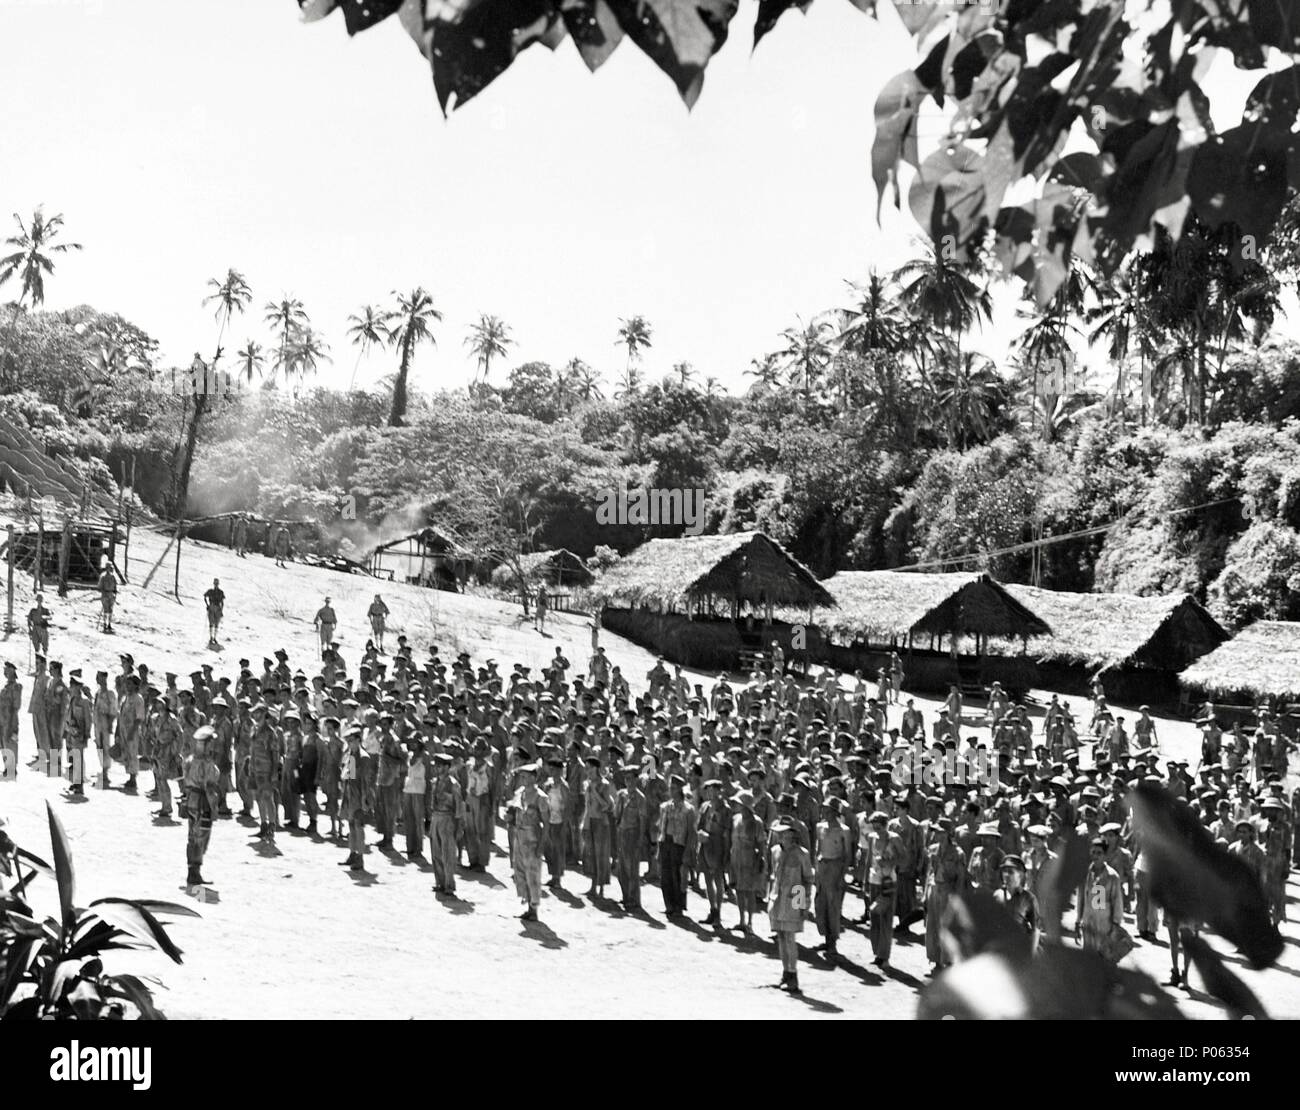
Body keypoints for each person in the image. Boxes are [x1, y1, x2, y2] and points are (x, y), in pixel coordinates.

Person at [768, 820, 813, 994]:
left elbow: (807, 880)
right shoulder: (775, 851)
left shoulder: (802, 854)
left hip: (793, 901)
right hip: (777, 900)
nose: (780, 836)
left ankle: (793, 975)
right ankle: (785, 972)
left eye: (784, 832)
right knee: (780, 937)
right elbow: (773, 876)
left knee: (790, 938)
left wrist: (802, 906)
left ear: (792, 834)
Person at [508, 762, 549, 922]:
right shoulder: (520, 794)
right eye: (522, 776)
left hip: (532, 837)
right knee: (520, 871)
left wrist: (542, 845)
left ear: (534, 777)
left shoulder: (541, 797)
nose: (523, 779)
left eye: (526, 776)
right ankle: (527, 905)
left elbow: (546, 824)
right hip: (519, 835)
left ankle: (534, 908)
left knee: (533, 874)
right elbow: (514, 812)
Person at [182, 726, 222, 886]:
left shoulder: (190, 760)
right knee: (201, 837)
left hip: (191, 800)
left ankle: (192, 869)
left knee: (192, 836)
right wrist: (214, 808)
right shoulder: (207, 764)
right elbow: (210, 787)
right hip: (202, 802)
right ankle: (195, 872)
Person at [813, 796, 851, 963]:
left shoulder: (844, 830)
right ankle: (825, 937)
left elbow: (847, 855)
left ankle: (833, 941)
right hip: (822, 866)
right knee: (820, 904)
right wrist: (816, 871)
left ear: (836, 813)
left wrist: (842, 876)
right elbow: (817, 849)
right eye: (824, 810)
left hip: (835, 867)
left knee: (833, 905)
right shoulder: (820, 827)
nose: (825, 813)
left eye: (829, 810)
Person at [1077, 837, 1126, 962]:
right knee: (1088, 957)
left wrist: (1116, 924)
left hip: (1105, 924)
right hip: (1089, 922)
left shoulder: (1112, 876)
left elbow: (1117, 901)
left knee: (1105, 958)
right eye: (1093, 852)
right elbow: (1081, 897)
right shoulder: (1086, 873)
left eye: (1099, 853)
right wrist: (1079, 919)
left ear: (1105, 855)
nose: (1095, 856)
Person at [657, 774, 697, 916]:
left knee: (678, 877)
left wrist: (688, 850)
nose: (671, 791)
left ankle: (679, 906)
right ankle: (669, 905)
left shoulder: (688, 809)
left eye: (674, 788)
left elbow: (692, 832)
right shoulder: (665, 807)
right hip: (666, 841)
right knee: (665, 875)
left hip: (679, 844)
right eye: (670, 788)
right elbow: (661, 826)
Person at [428, 752, 465, 893]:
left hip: (448, 818)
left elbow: (458, 805)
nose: (437, 768)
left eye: (440, 766)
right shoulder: (435, 782)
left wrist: (459, 824)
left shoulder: (453, 784)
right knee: (436, 852)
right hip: (436, 817)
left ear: (447, 767)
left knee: (448, 854)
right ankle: (440, 882)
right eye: (436, 766)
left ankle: (449, 884)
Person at [994, 855, 1040, 953]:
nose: (1006, 875)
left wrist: (1032, 954)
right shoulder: (997, 895)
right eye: (1004, 871)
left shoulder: (1028, 898)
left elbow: (1035, 930)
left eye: (1011, 872)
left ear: (1020, 875)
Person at [0, 661, 22, 780]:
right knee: (3, 744)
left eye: (7, 669)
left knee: (11, 743)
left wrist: (11, 723)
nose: (5, 671)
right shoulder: (5, 687)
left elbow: (16, 706)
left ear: (12, 671)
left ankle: (12, 768)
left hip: (11, 720)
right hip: (2, 720)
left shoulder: (16, 687)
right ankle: (7, 767)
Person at [203, 578, 225, 646]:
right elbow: (205, 597)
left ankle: (214, 638)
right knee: (211, 623)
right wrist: (207, 605)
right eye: (215, 584)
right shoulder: (210, 591)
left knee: (216, 624)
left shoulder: (220, 592)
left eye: (216, 584)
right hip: (212, 607)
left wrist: (221, 610)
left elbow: (222, 602)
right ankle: (211, 637)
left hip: (217, 608)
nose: (216, 585)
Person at [97, 565, 117, 633]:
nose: (110, 569)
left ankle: (109, 624)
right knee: (106, 610)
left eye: (111, 568)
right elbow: (99, 586)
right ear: (106, 568)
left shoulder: (113, 577)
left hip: (111, 595)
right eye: (109, 568)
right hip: (105, 594)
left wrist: (115, 593)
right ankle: (105, 623)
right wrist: (103, 592)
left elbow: (115, 586)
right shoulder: (103, 577)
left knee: (111, 610)